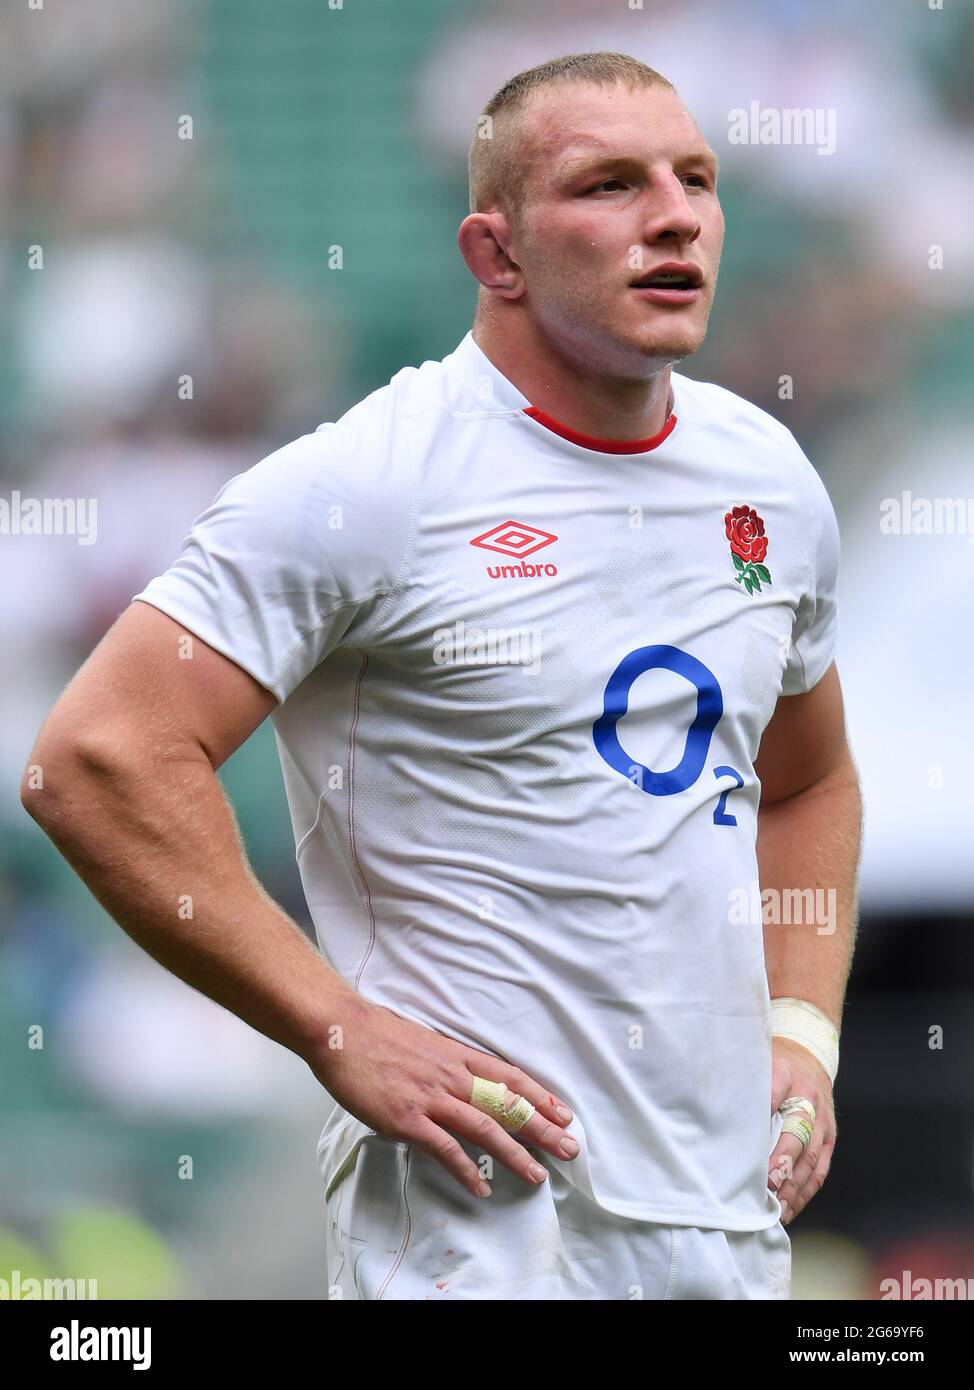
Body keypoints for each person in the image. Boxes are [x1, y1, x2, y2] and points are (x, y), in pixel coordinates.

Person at [22, 51, 862, 1300]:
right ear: (495, 253)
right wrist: (334, 1025)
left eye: (694, 178)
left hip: (719, 1222)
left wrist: (801, 1032)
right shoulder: (369, 482)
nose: (673, 213)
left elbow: (809, 785)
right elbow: (95, 759)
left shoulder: (768, 478)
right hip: (485, 1226)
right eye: (609, 185)